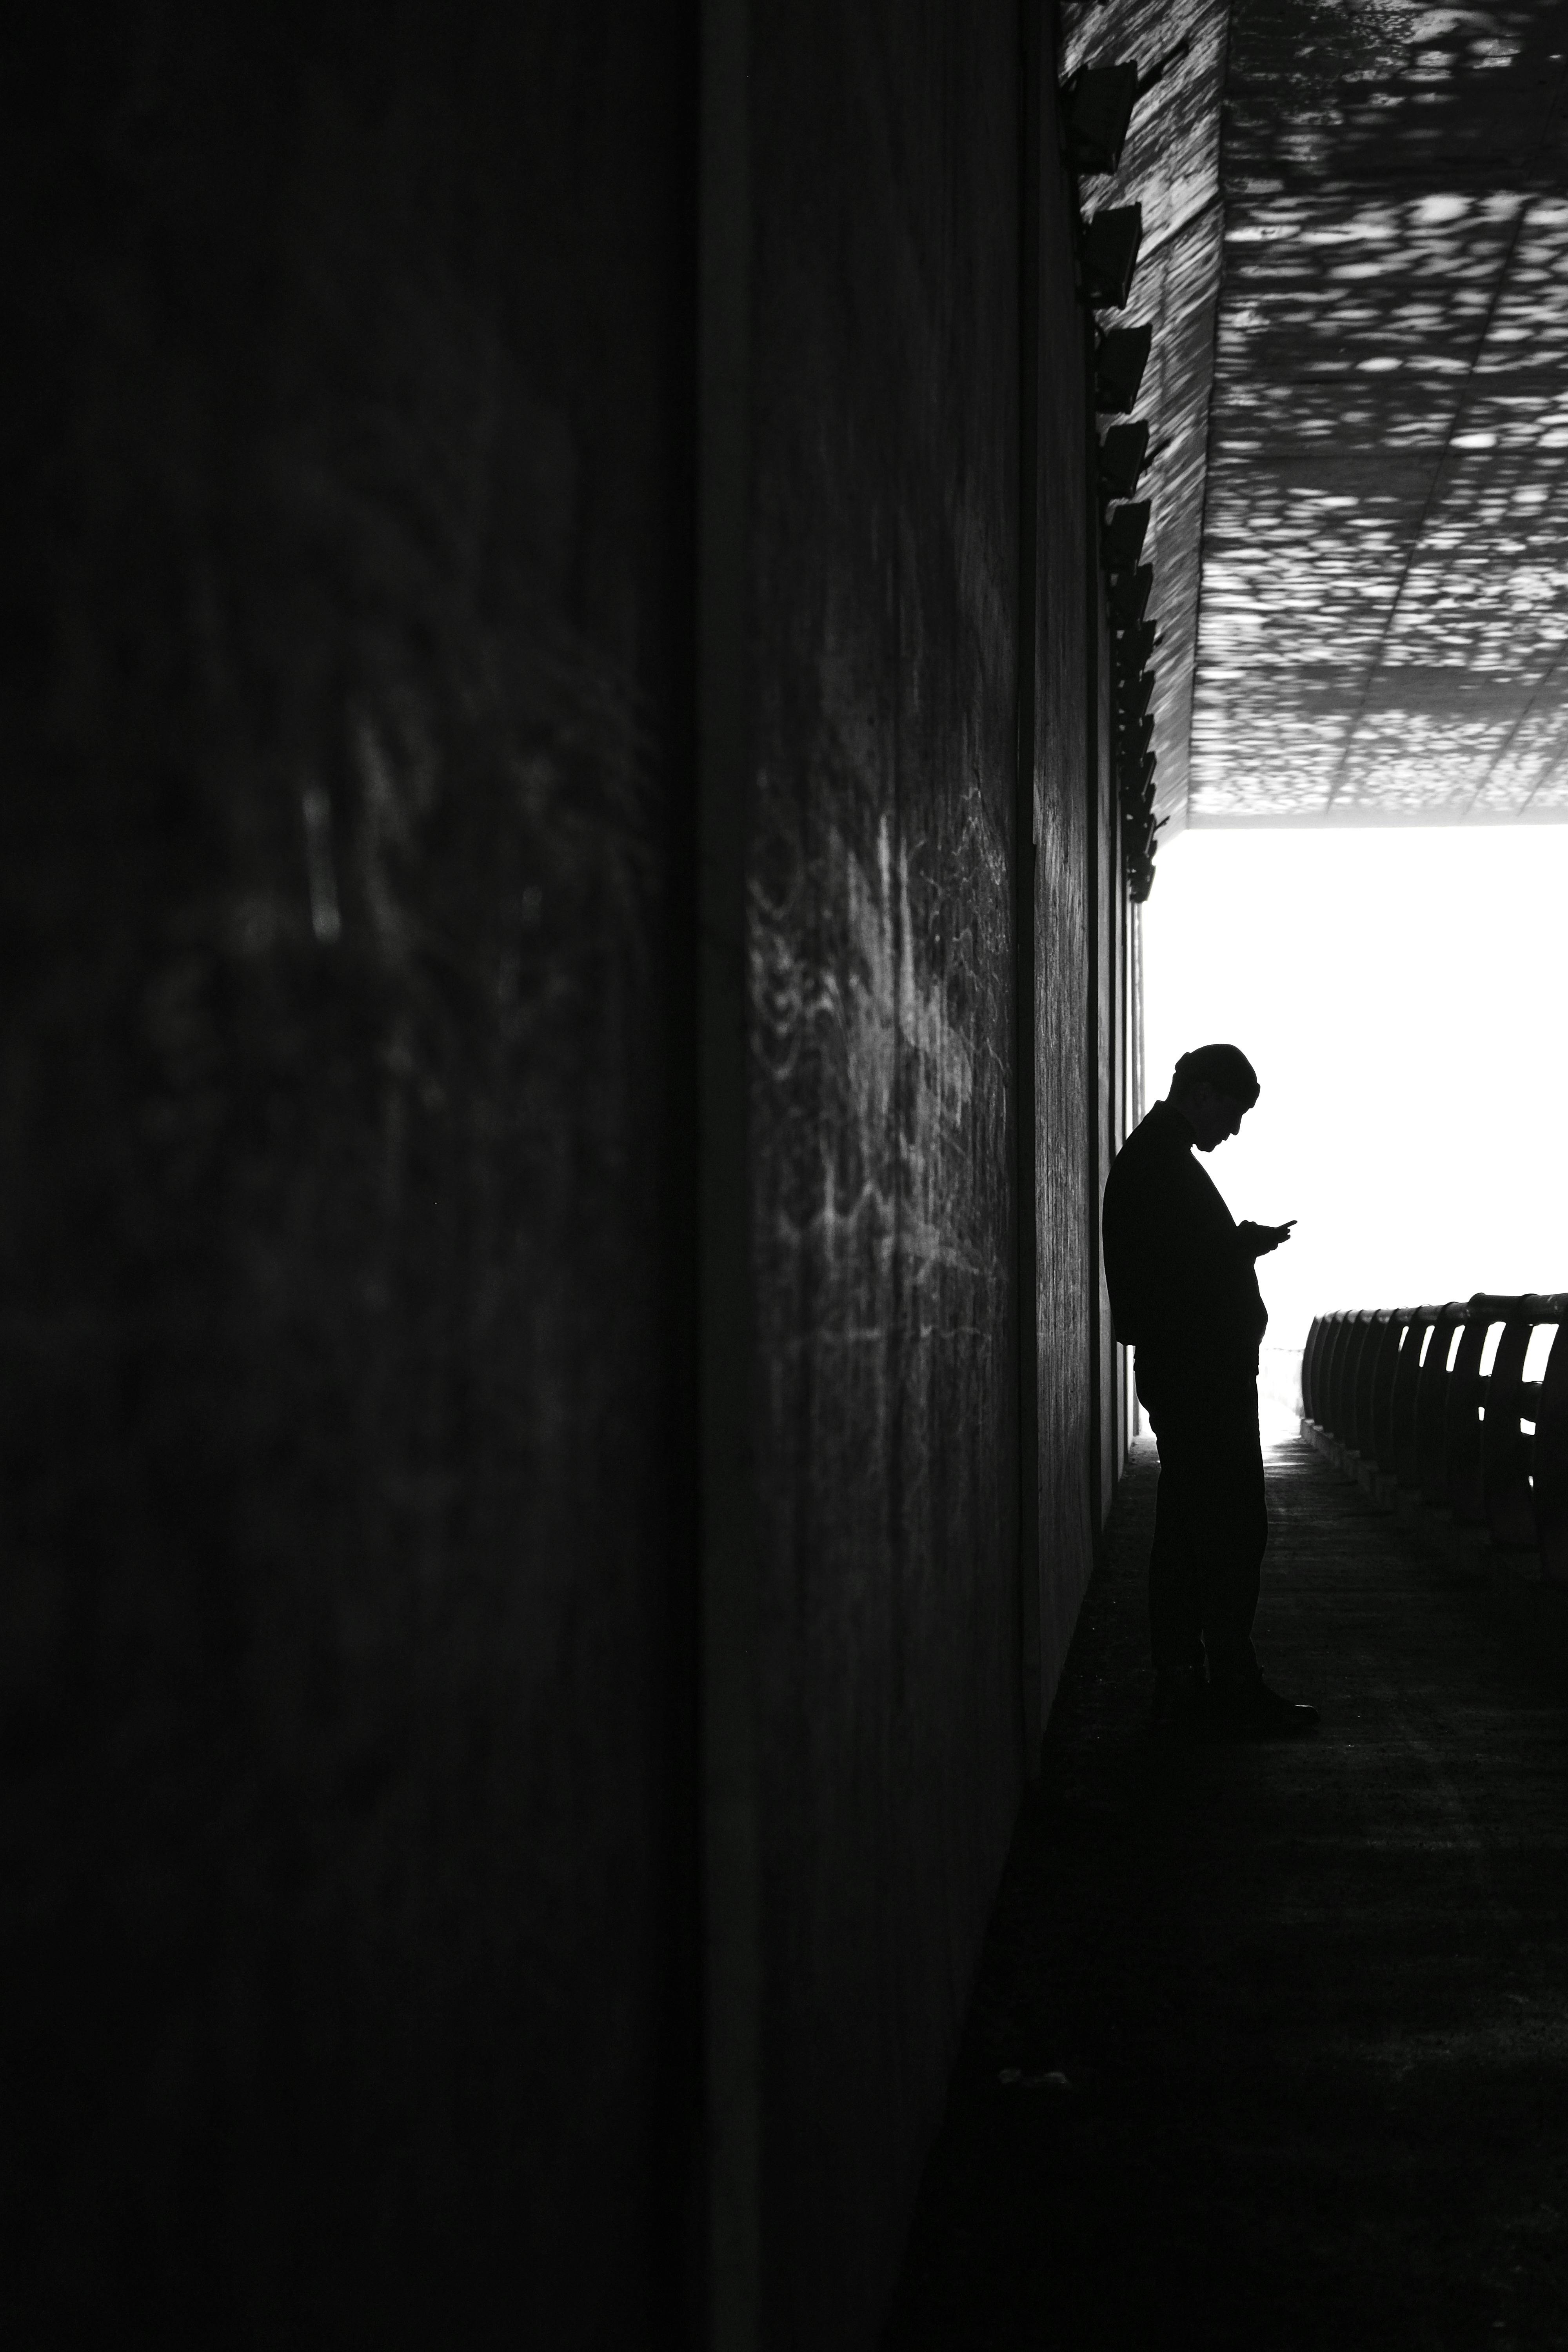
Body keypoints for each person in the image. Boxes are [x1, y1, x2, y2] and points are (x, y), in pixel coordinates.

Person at [1101, 1042, 1319, 1737]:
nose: (1234, 1128)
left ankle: (1185, 1682)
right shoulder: (1161, 1167)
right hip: (1198, 1379)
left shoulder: (1156, 1161)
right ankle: (1227, 1683)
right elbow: (1169, 1282)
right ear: (1199, 1092)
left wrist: (1234, 1248)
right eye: (1231, 1110)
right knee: (1230, 1529)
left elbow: (1170, 1267)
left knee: (1190, 1531)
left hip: (1192, 1375)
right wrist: (1236, 1249)